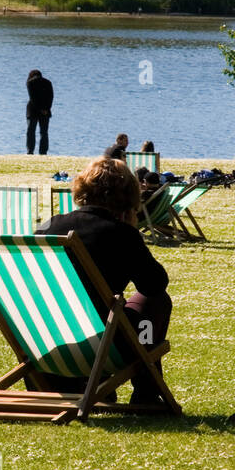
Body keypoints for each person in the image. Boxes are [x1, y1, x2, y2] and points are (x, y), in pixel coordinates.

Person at [38, 157, 172, 406]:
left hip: (48, 342)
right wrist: (130, 229)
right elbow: (154, 285)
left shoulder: (46, 228)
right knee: (156, 302)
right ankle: (146, 391)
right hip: (102, 347)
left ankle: (98, 385)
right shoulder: (121, 234)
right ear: (127, 196)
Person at [25, 69, 54, 155]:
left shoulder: (30, 83)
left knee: (31, 131)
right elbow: (51, 97)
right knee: (44, 132)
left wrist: (40, 109)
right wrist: (46, 109)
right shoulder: (48, 82)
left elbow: (33, 98)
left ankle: (30, 151)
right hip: (46, 110)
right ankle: (43, 152)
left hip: (32, 110)